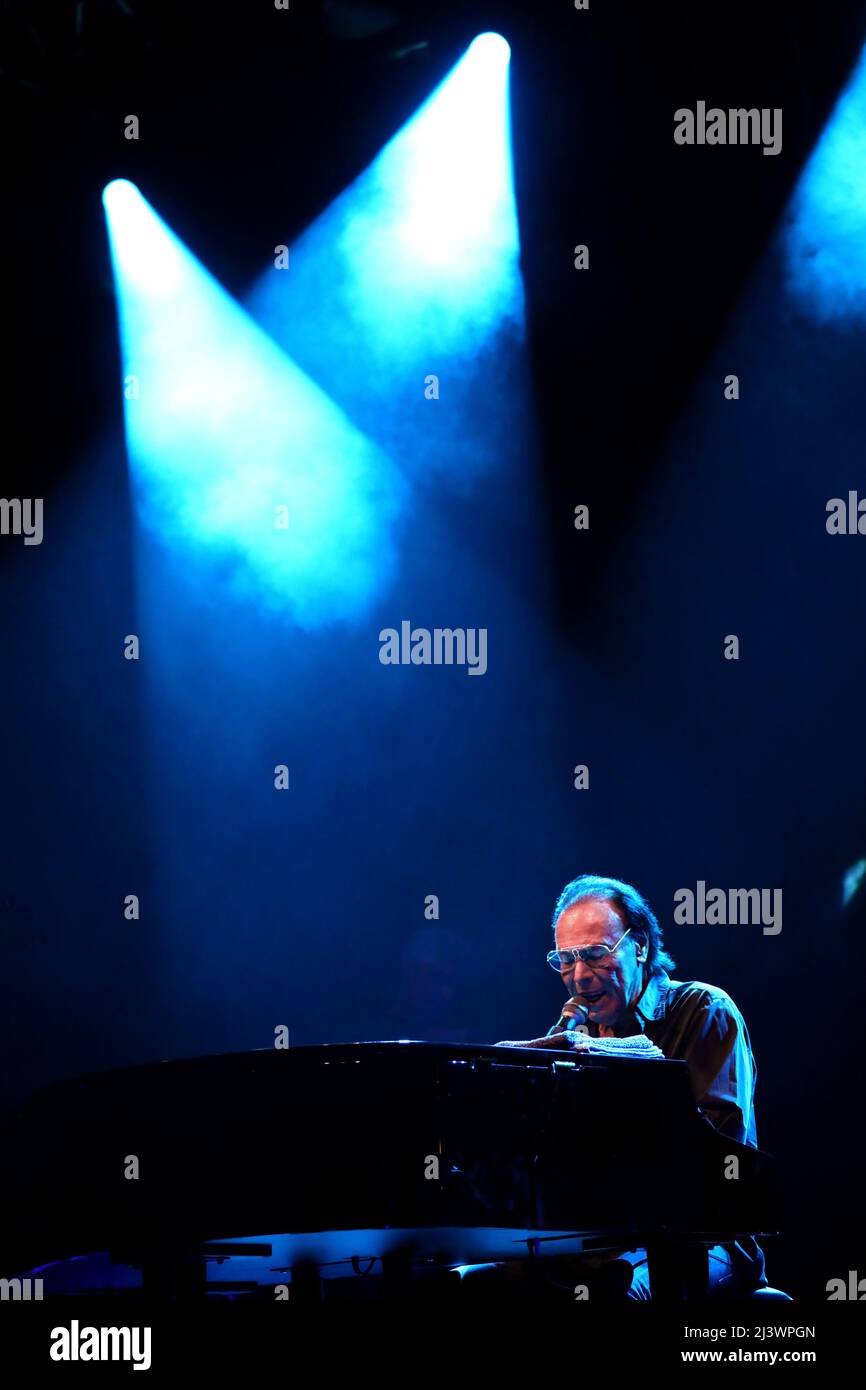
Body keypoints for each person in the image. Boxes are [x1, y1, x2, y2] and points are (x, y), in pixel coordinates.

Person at [492, 873, 769, 1299]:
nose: (579, 976)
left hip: (701, 1239)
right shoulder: (573, 1035)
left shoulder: (704, 1009)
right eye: (566, 959)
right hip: (601, 1237)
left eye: (596, 954)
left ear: (639, 946)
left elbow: (716, 1163)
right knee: (473, 1283)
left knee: (612, 1290)